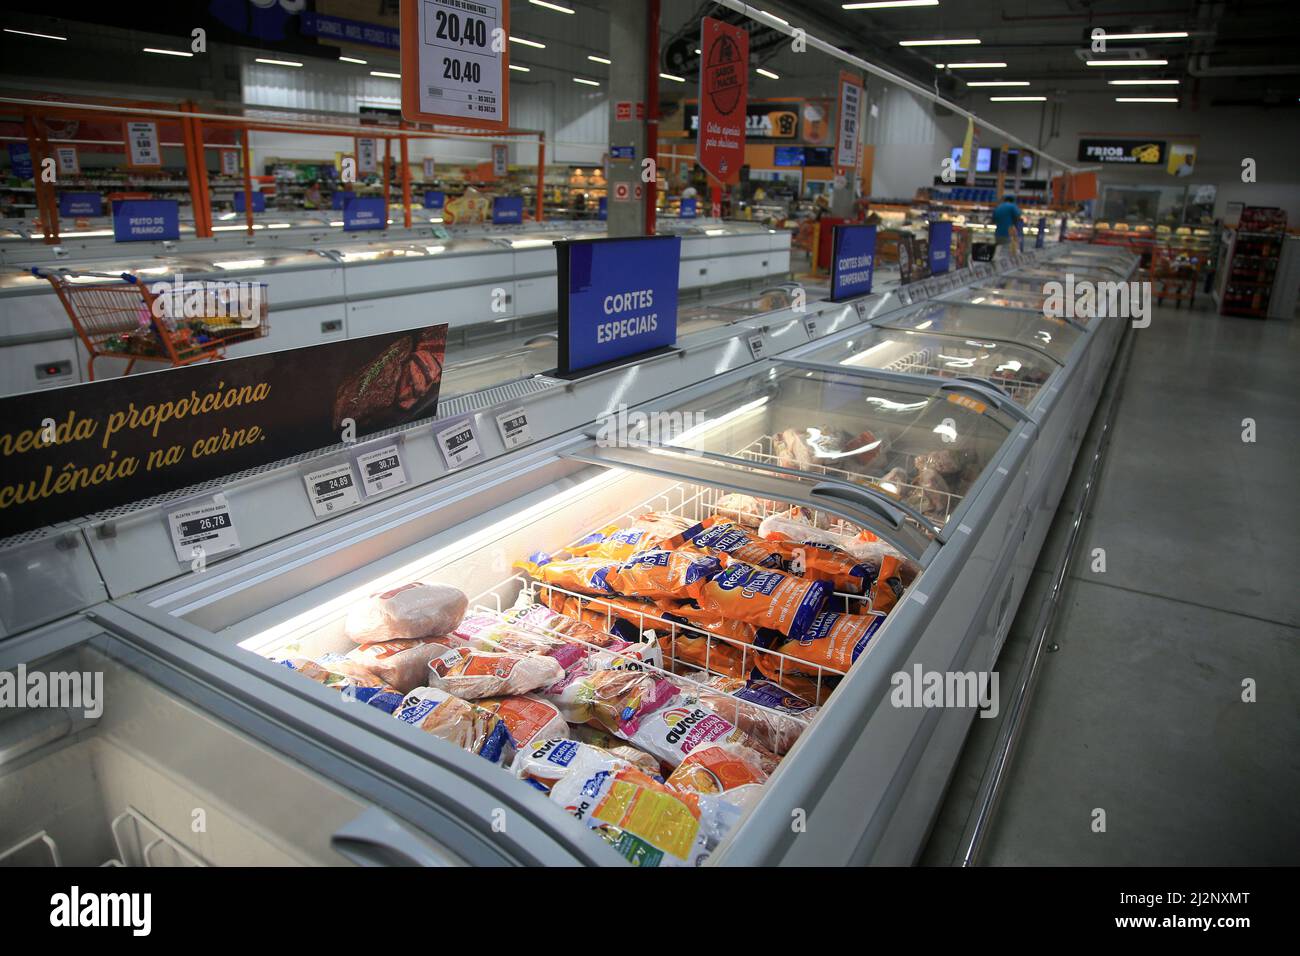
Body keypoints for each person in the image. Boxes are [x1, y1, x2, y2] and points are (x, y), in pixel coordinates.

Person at [992, 194, 1024, 261]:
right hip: (1009, 232)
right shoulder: (1012, 206)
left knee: (999, 246)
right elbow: (1018, 216)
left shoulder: (998, 207)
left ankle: (995, 259)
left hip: (998, 233)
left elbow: (993, 219)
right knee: (1011, 249)